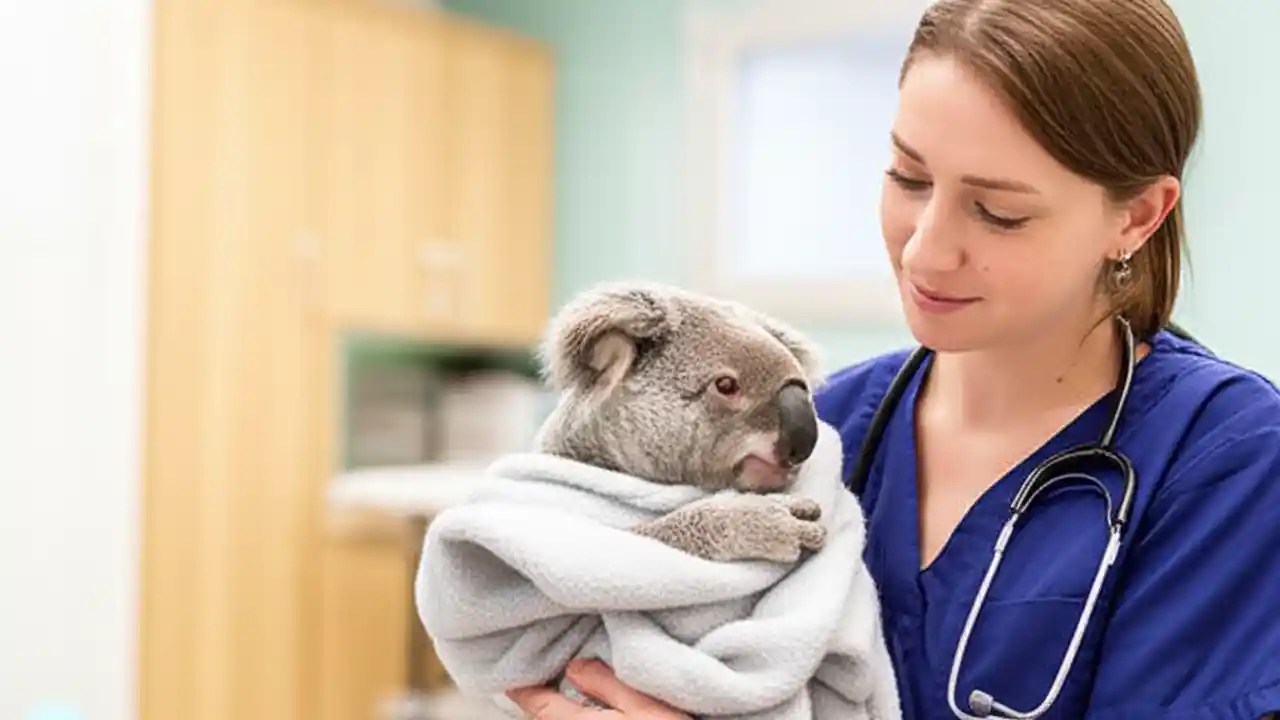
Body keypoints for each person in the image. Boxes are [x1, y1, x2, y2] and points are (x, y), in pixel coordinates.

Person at [506, 0, 1280, 717]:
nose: (926, 249)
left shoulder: (1226, 459)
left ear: (1137, 217)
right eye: (908, 177)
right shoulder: (819, 431)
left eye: (998, 213)